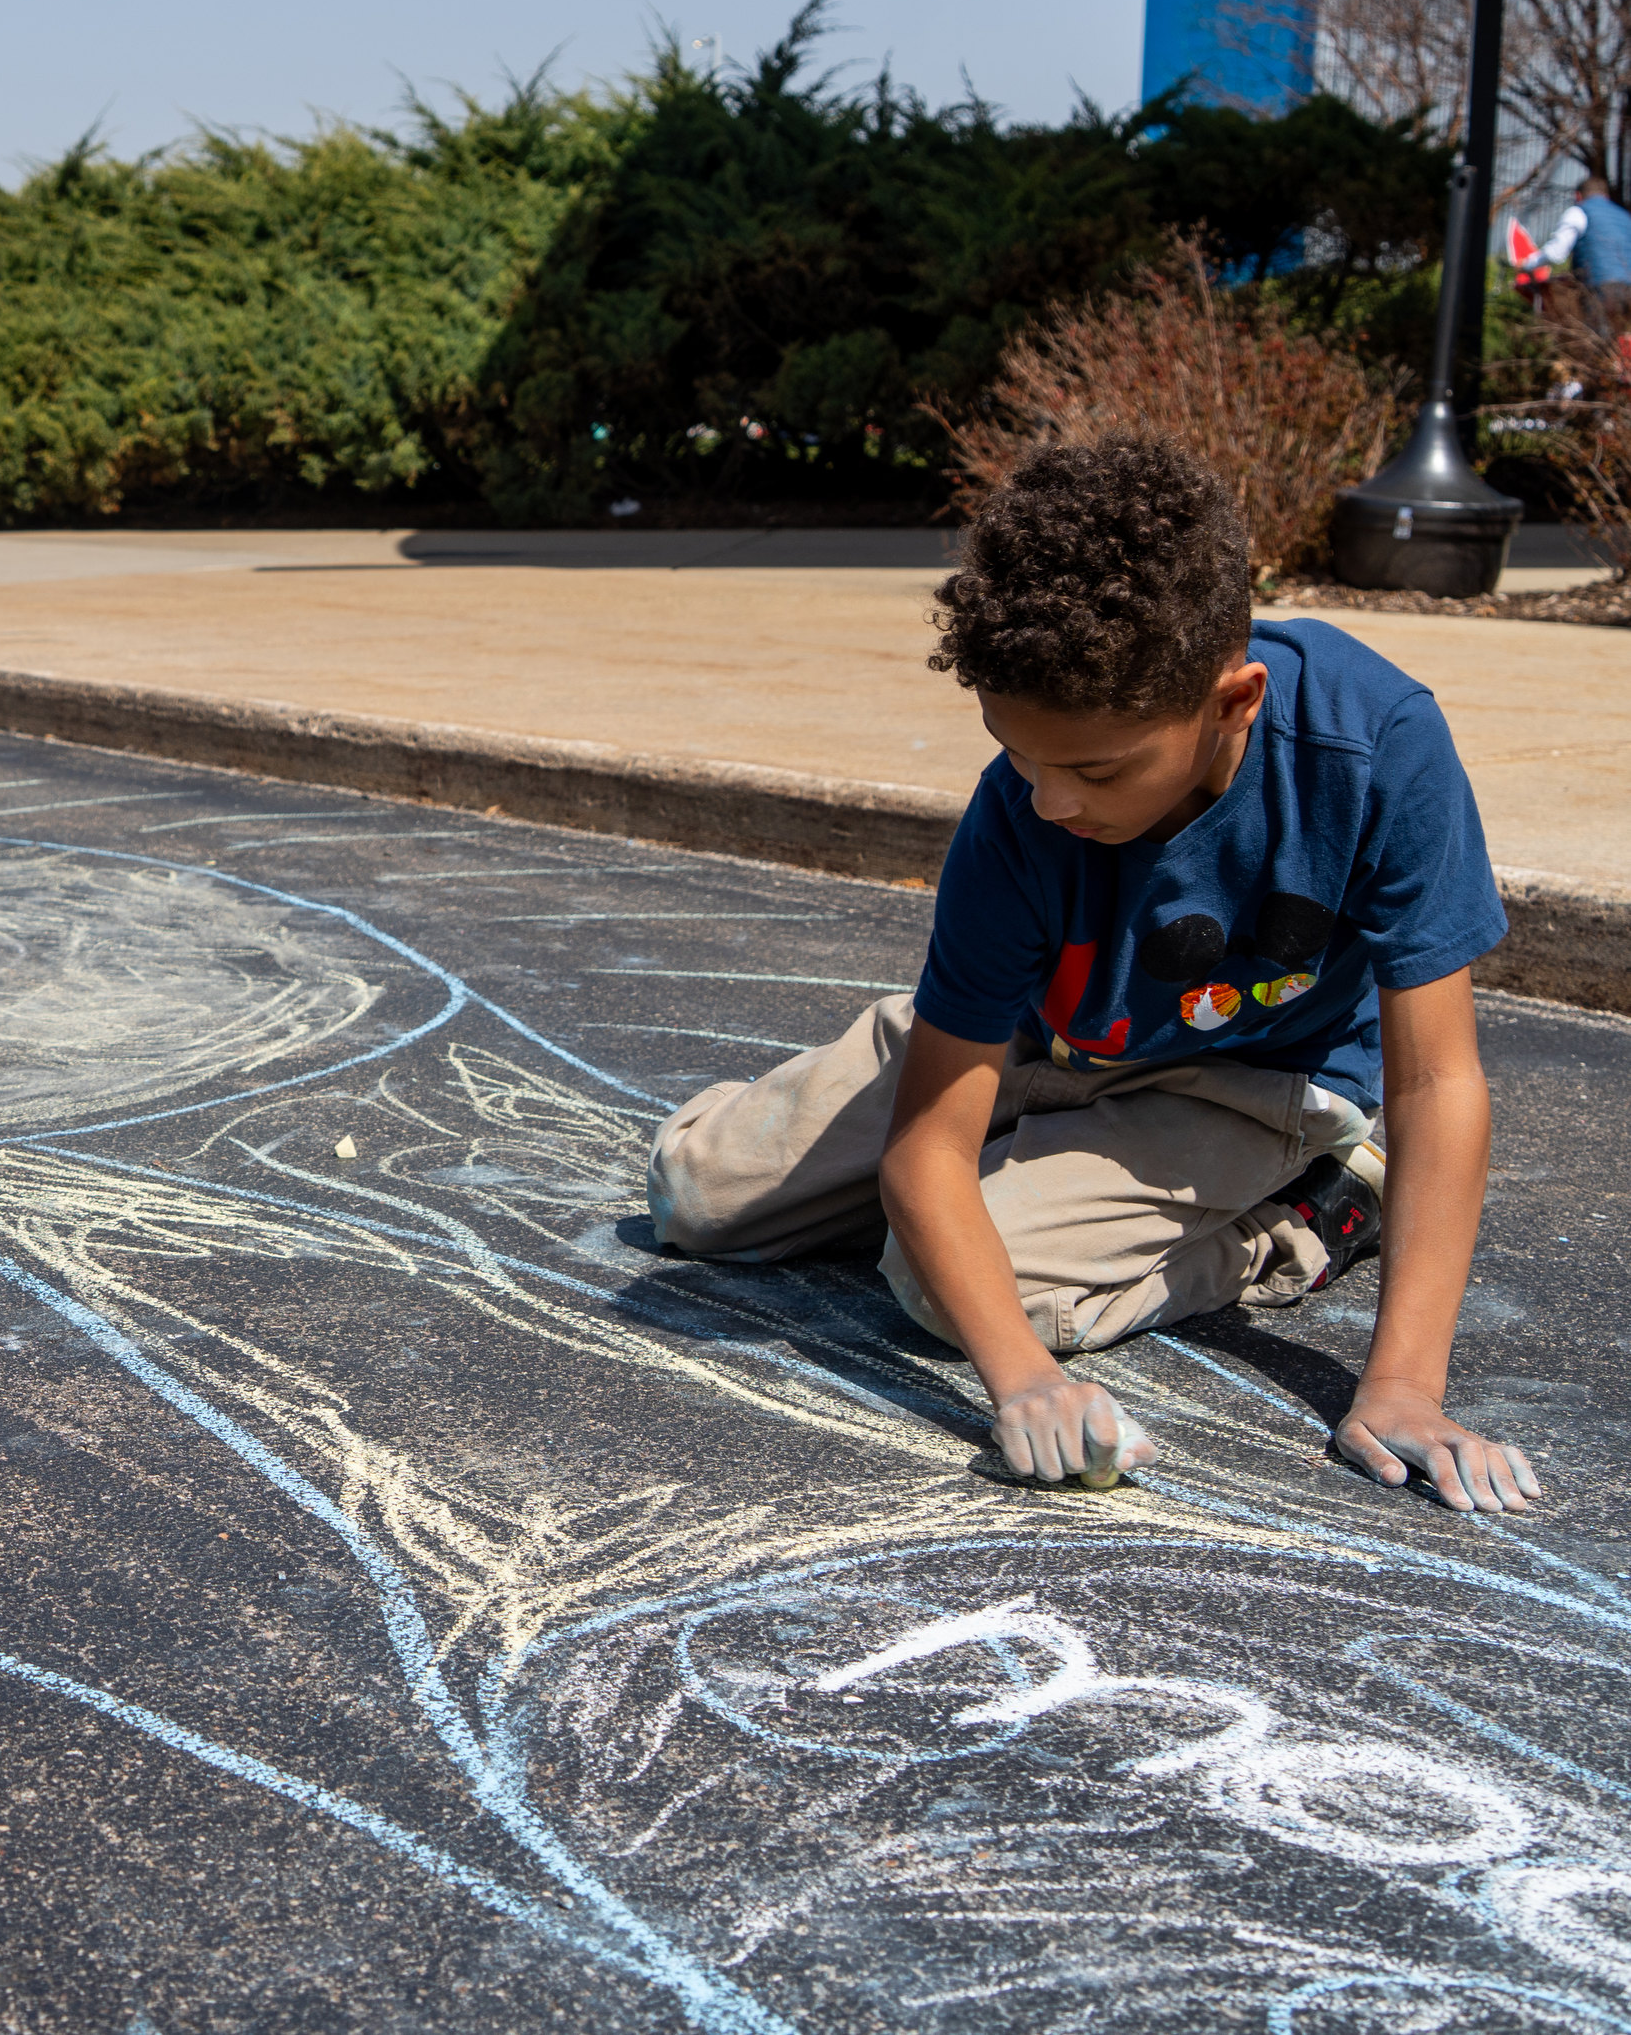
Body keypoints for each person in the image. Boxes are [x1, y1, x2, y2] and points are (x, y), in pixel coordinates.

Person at [645, 435, 1539, 1513]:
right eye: (1015, 753)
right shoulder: (1018, 812)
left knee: (941, 1285)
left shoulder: (1373, 744)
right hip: (1032, 1033)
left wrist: (1400, 1383)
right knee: (698, 1194)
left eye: (1094, 768)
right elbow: (929, 1141)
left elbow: (1439, 1080)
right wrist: (1022, 1383)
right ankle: (1011, 1157)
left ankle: (1303, 1217)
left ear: (1233, 698)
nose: (1050, 800)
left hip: (1239, 1082)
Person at [1536, 172, 1631, 328]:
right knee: (1623, 342)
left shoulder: (1579, 212)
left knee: (1598, 344)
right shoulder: (1625, 216)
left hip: (1601, 289)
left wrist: (1530, 263)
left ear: (1578, 196)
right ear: (1606, 197)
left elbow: (1556, 254)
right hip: (1629, 288)